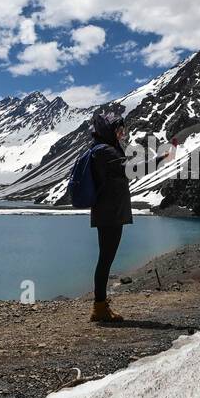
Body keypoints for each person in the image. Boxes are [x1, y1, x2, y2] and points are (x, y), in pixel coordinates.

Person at [88, 110, 132, 322]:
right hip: (110, 213)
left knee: (105, 258)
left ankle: (101, 306)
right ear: (109, 130)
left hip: (109, 211)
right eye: (119, 130)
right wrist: (162, 158)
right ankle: (99, 308)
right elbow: (129, 170)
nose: (122, 134)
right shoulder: (105, 151)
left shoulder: (104, 148)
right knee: (105, 259)